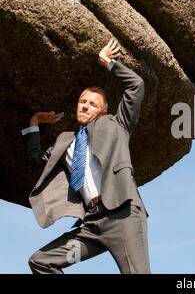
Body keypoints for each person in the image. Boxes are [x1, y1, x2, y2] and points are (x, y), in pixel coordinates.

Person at [21, 39, 150, 274]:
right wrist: (35, 122)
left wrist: (108, 63)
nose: (85, 106)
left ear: (103, 111)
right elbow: (35, 158)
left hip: (123, 215)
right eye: (82, 101)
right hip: (91, 226)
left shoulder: (117, 124)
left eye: (92, 104)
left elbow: (136, 86)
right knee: (41, 261)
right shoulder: (65, 141)